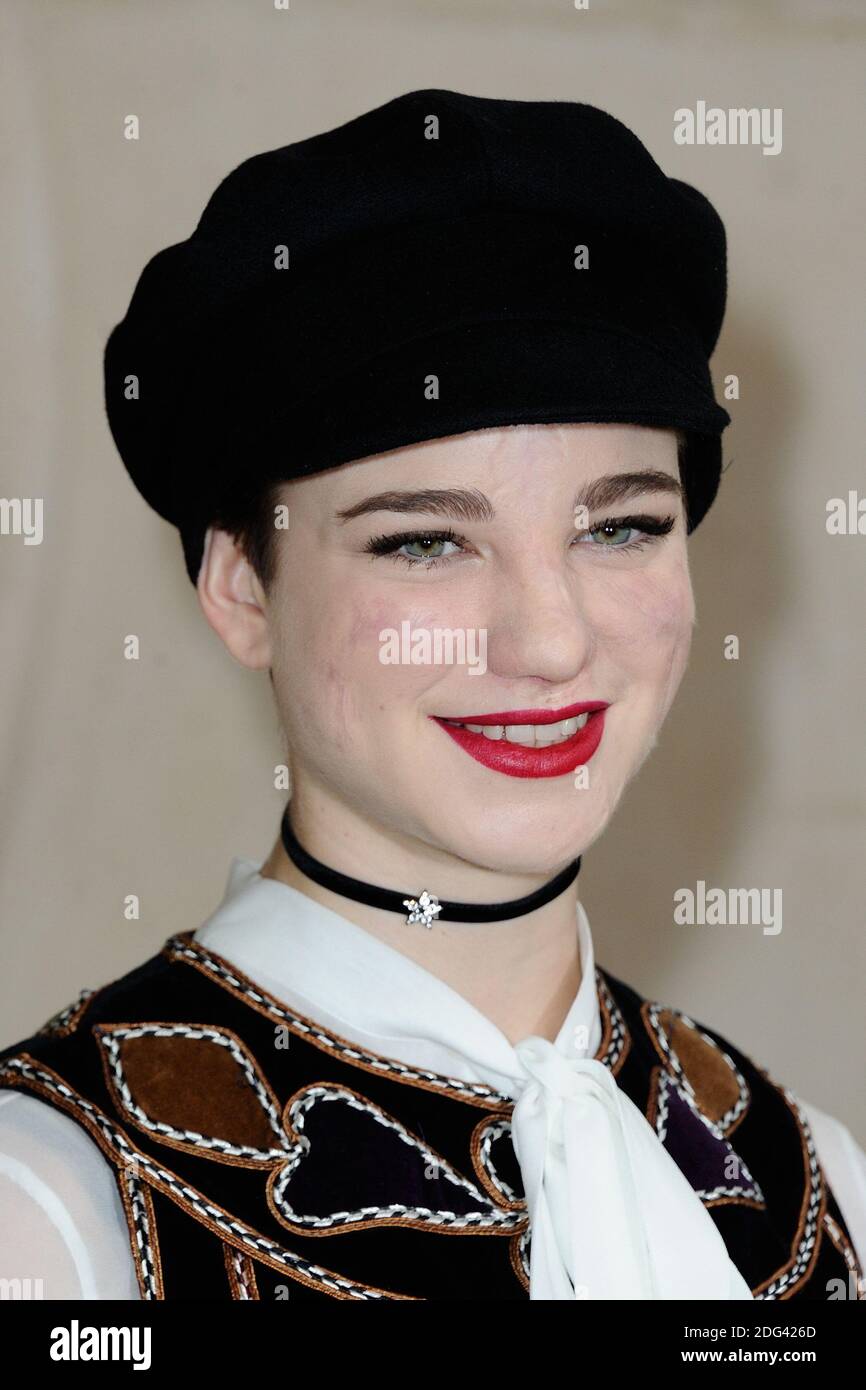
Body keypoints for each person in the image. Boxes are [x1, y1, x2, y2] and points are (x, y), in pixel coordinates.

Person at [0, 88, 863, 1302]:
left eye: (618, 525)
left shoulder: (816, 1189)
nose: (550, 641)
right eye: (422, 542)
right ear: (243, 583)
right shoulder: (55, 1209)